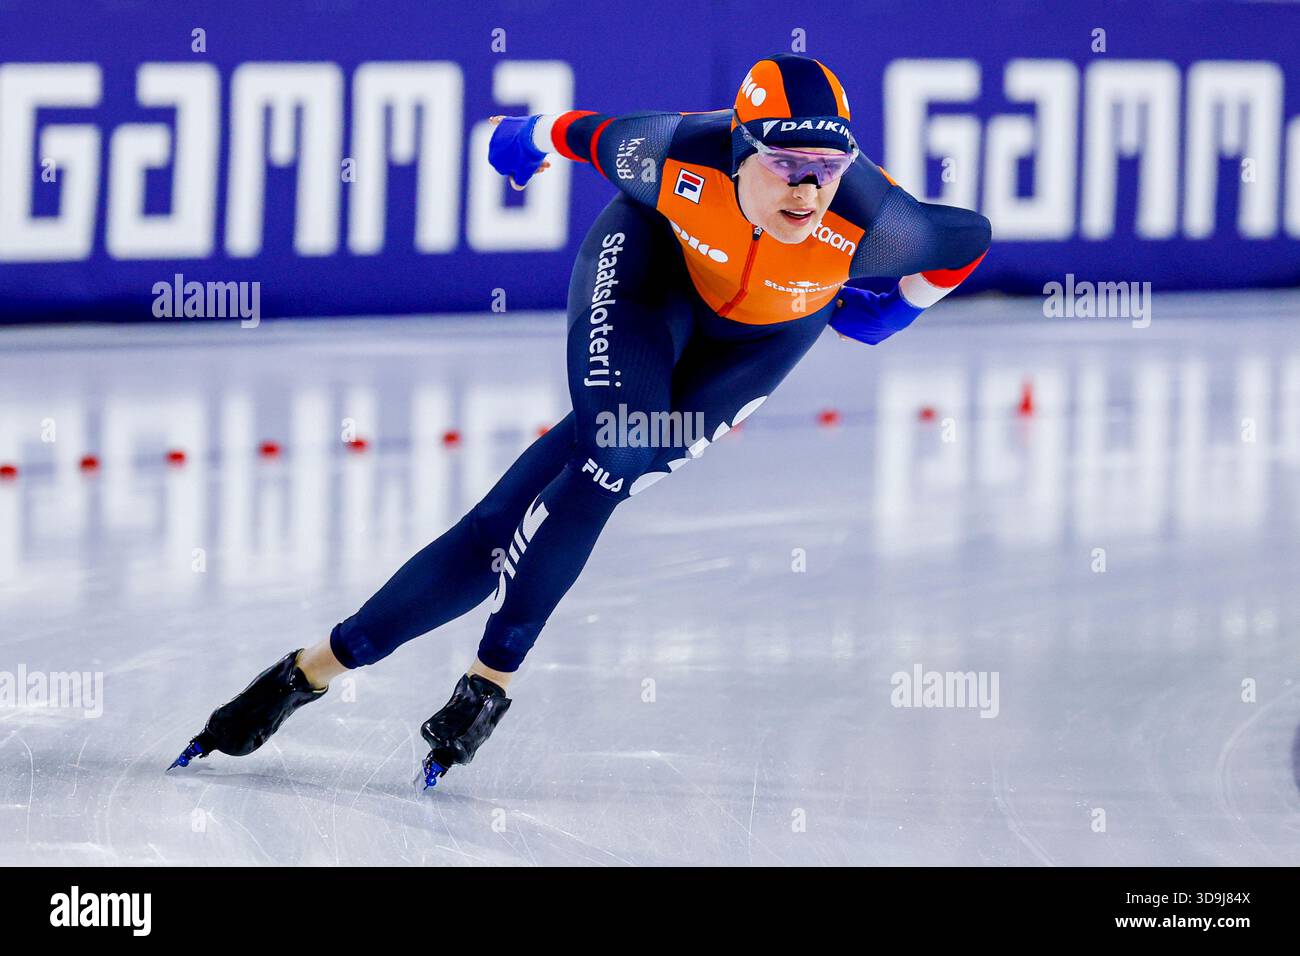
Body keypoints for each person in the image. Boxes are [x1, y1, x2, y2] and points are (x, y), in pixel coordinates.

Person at [170, 54, 991, 788]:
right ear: (741, 151)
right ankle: (400, 677)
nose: (810, 190)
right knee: (617, 446)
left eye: (827, 165)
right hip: (648, 278)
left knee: (594, 478)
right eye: (785, 164)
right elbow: (574, 131)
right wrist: (521, 139)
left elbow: (969, 238)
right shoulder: (668, 153)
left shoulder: (878, 223)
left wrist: (902, 309)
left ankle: (387, 675)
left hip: (762, 341)